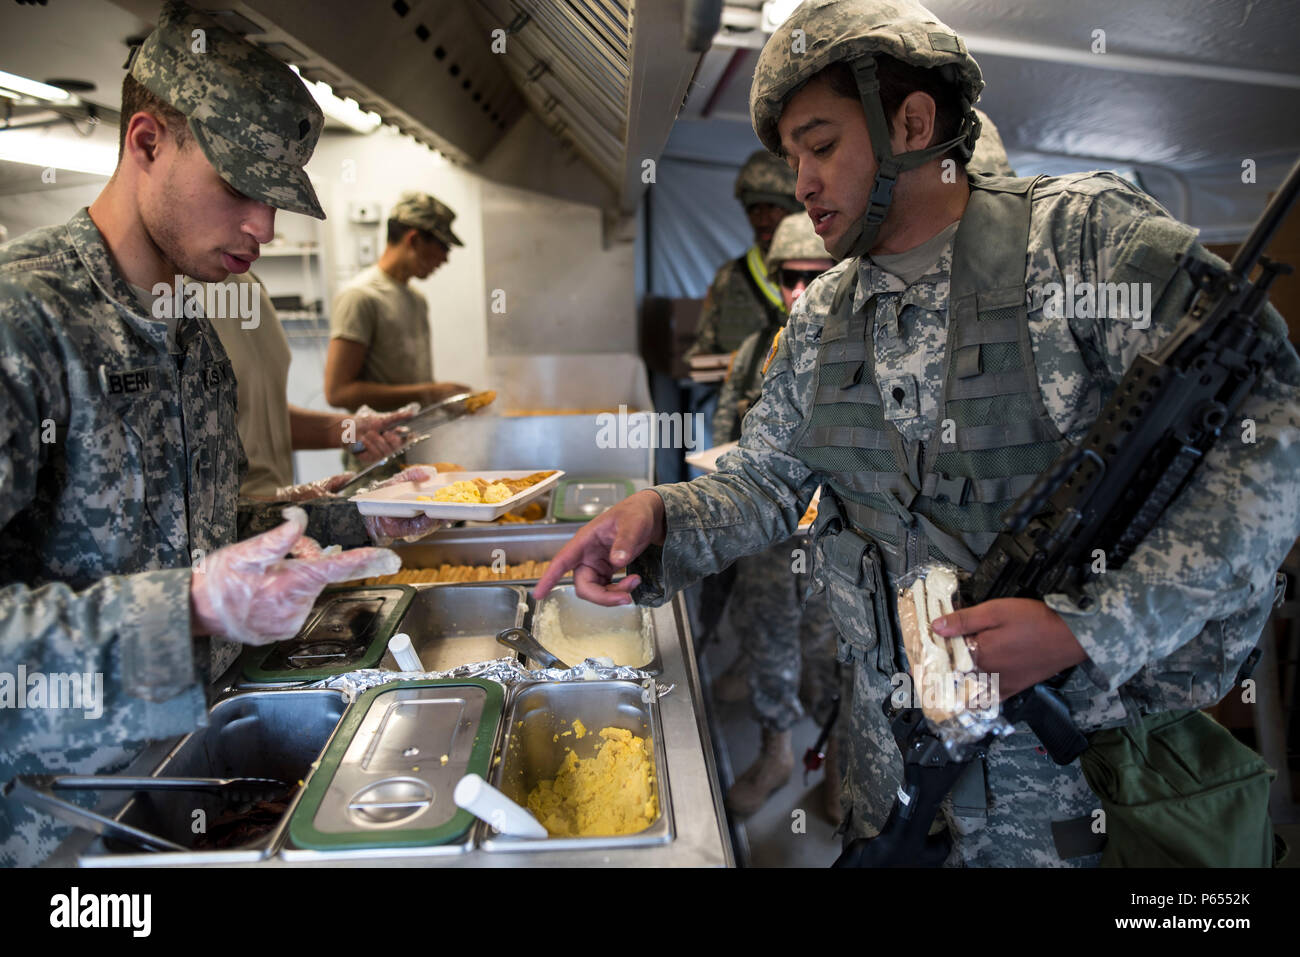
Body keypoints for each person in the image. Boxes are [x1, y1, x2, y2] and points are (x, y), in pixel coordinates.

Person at [536, 0, 1300, 866]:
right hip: (894, 772)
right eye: (791, 158)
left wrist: (1094, 625)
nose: (802, 184)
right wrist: (661, 517)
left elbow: (1276, 434)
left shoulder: (1080, 245)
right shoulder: (825, 314)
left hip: (1077, 791)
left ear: (911, 122)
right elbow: (763, 479)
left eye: (820, 146)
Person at [0, 0, 431, 867]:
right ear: (146, 141)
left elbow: (207, 538)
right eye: (239, 188)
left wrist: (361, 516)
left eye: (276, 199)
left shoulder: (192, 332)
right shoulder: (26, 319)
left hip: (182, 773)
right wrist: (190, 606)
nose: (265, 229)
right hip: (57, 821)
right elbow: (189, 585)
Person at [711, 211, 840, 821]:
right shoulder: (752, 353)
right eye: (790, 276)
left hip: (835, 542)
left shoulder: (872, 354)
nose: (800, 291)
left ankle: (840, 762)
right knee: (766, 641)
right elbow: (719, 439)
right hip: (765, 539)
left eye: (816, 276)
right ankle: (775, 754)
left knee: (831, 653)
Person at [209, 272, 413, 498]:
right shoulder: (173, 296)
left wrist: (351, 431)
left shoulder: (245, 283)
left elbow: (260, 417)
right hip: (221, 524)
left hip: (267, 514)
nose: (264, 235)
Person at [324, 192, 471, 413]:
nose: (445, 259)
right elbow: (337, 393)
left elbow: (411, 383)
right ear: (414, 239)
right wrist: (430, 392)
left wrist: (443, 401)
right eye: (443, 247)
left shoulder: (417, 299)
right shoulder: (360, 296)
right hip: (378, 445)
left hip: (414, 438)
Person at [686, 150, 803, 361]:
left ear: (795, 208)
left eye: (774, 207)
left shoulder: (829, 270)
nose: (763, 219)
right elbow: (703, 350)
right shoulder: (730, 276)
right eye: (754, 209)